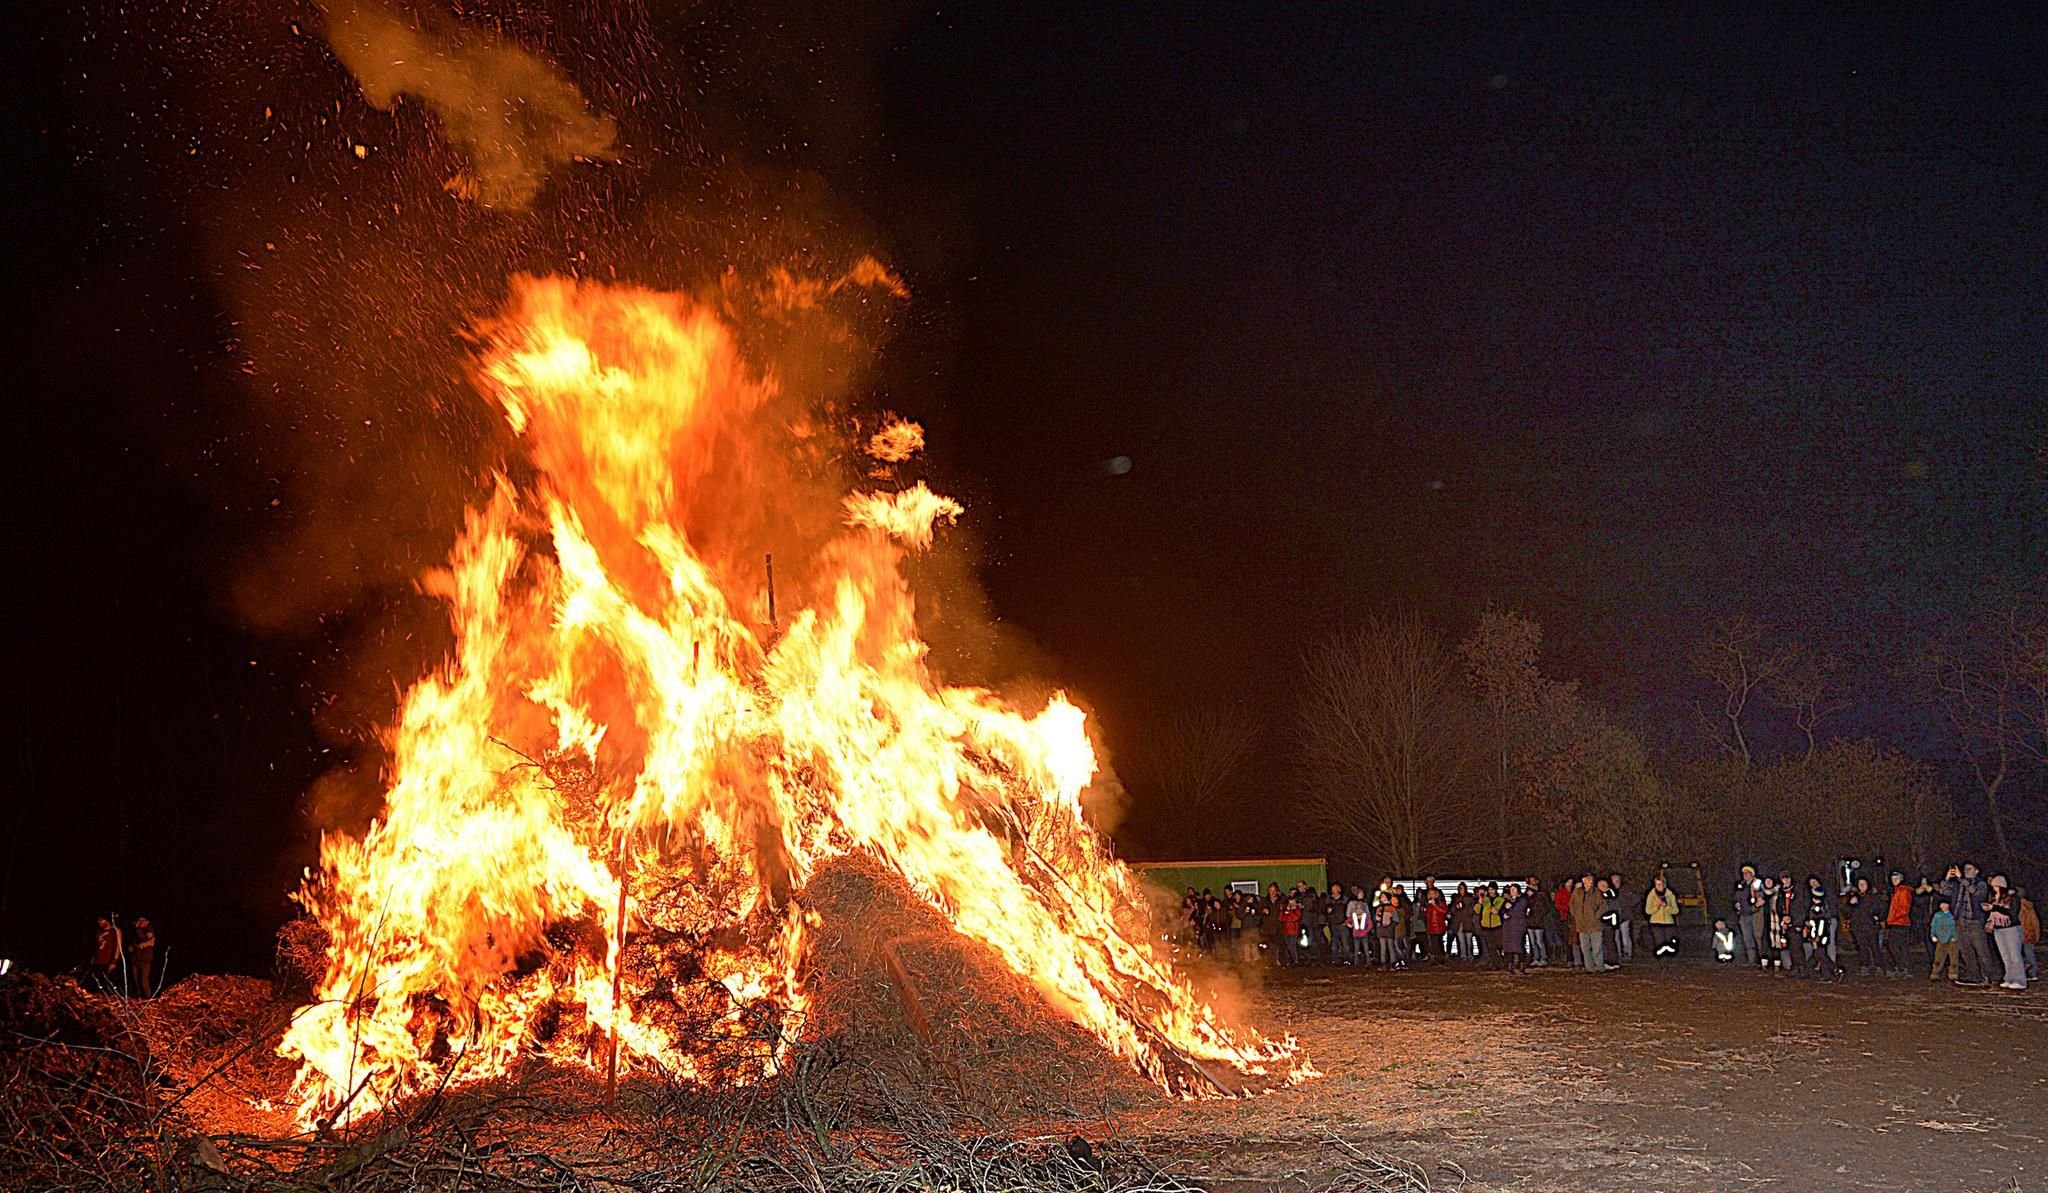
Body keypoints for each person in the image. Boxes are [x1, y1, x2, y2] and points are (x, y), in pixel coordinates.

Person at [1941, 863, 1994, 986]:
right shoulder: (1958, 884)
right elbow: (1944, 892)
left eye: (1969, 869)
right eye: (1965, 869)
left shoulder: (1981, 884)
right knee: (1966, 951)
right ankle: (1972, 976)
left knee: (1982, 951)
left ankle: (1987, 976)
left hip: (1974, 922)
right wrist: (1947, 878)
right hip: (1960, 921)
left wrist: (1961, 879)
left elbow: (1976, 893)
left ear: (1977, 871)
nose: (1966, 871)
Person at [1985, 875, 2026, 991]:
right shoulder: (1994, 897)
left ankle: (2020, 980)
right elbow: (1994, 912)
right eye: (1993, 886)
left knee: (2015, 955)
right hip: (1998, 929)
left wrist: (1994, 907)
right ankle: (2009, 978)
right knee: (2005, 956)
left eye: (1996, 886)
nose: (1994, 889)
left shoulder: (2012, 897)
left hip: (2011, 928)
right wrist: (1990, 921)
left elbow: (2011, 913)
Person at [1802, 875, 1842, 982]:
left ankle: (1833, 971)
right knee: (1820, 954)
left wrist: (1816, 937)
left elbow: (1819, 925)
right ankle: (1826, 973)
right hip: (1820, 935)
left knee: (1821, 954)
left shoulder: (1819, 910)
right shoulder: (1819, 908)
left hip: (1820, 936)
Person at [1844, 876, 1882, 977]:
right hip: (1858, 926)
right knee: (1862, 946)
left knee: (1874, 946)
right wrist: (1851, 904)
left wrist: (1876, 917)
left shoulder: (1873, 897)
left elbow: (1879, 909)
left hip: (1871, 926)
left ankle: (1878, 966)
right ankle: (1864, 966)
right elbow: (1846, 912)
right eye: (1860, 884)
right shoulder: (1853, 897)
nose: (1861, 886)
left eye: (1863, 884)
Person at [1570, 873, 1607, 972]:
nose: (1590, 882)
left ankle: (1599, 966)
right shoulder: (1577, 892)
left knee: (1596, 947)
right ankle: (1589, 967)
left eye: (1591, 880)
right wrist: (1576, 916)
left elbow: (1603, 906)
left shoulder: (1596, 892)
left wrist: (1596, 916)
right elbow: (1572, 905)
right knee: (1585, 947)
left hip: (1595, 925)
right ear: (1583, 880)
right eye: (1588, 880)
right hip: (1582, 925)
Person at [1882, 871, 1915, 977]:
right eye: (1893, 879)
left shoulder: (1903, 891)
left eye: (1896, 878)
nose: (1894, 881)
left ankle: (1903, 967)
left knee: (1897, 946)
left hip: (1900, 923)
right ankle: (1902, 967)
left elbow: (1904, 908)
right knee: (1898, 946)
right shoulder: (1897, 891)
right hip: (1898, 922)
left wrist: (1892, 918)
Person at [1645, 876, 1680, 966]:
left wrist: (1666, 907)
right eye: (1657, 884)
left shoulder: (1670, 895)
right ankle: (1662, 963)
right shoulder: (1651, 895)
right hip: (1656, 923)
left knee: (1669, 943)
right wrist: (1656, 907)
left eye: (1660, 884)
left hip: (1668, 923)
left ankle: (1668, 961)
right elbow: (1648, 911)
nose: (1659, 886)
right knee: (1660, 943)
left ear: (1664, 884)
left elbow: (1676, 910)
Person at [1732, 865, 1764, 965]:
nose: (1745, 875)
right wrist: (1737, 904)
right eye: (1743, 873)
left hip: (1755, 914)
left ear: (1752, 874)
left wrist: (1757, 906)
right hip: (1743, 914)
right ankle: (1751, 960)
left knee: (1758, 936)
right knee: (1747, 937)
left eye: (1747, 873)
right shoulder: (1741, 886)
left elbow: (1762, 897)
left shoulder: (1757, 884)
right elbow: (1737, 897)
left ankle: (1762, 959)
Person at [1500, 884, 1531, 974]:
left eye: (1513, 889)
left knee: (1519, 946)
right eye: (1511, 889)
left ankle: (1521, 966)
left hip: (1518, 926)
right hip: (1508, 926)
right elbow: (1501, 910)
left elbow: (1519, 910)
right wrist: (1503, 914)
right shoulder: (1507, 900)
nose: (1511, 891)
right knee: (1508, 947)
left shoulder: (1522, 900)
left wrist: (1510, 908)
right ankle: (1510, 967)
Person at [91, 915, 123, 993]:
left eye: (101, 920)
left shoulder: (115, 931)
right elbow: (97, 946)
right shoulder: (98, 931)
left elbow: (118, 947)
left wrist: (114, 961)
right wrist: (94, 958)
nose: (99, 922)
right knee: (99, 984)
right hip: (98, 961)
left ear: (107, 920)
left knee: (111, 984)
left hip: (108, 961)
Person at [1610, 872, 1638, 962]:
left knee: (1625, 936)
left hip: (1624, 916)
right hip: (1614, 917)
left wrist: (1628, 905)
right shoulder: (1610, 891)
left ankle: (1627, 953)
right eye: (1614, 880)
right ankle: (1618, 954)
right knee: (1616, 937)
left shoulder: (1626, 889)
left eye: (1617, 879)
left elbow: (1635, 899)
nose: (1616, 881)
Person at [1929, 899, 1958, 980]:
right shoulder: (1937, 915)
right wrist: (1933, 935)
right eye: (1941, 904)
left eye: (1945, 904)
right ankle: (1935, 972)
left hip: (1951, 939)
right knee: (1938, 956)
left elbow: (1955, 926)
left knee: (1953, 957)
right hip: (1940, 938)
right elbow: (1933, 925)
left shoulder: (1953, 915)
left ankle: (1953, 973)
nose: (1943, 906)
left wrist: (1955, 936)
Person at [129, 917, 156, 998]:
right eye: (138, 920)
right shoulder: (135, 932)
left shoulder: (148, 930)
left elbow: (151, 942)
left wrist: (141, 945)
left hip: (145, 959)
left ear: (147, 922)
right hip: (135, 958)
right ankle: (139, 998)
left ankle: (147, 999)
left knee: (144, 982)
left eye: (142, 921)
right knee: (136, 981)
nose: (139, 922)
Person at [1423, 886, 1449, 963]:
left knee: (1438, 943)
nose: (1431, 895)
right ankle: (1435, 958)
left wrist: (1435, 905)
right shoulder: (1428, 904)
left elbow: (1444, 911)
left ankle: (1440, 959)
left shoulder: (1441, 903)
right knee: (1433, 944)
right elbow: (1427, 915)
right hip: (1430, 926)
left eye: (1433, 894)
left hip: (1438, 926)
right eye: (1430, 894)